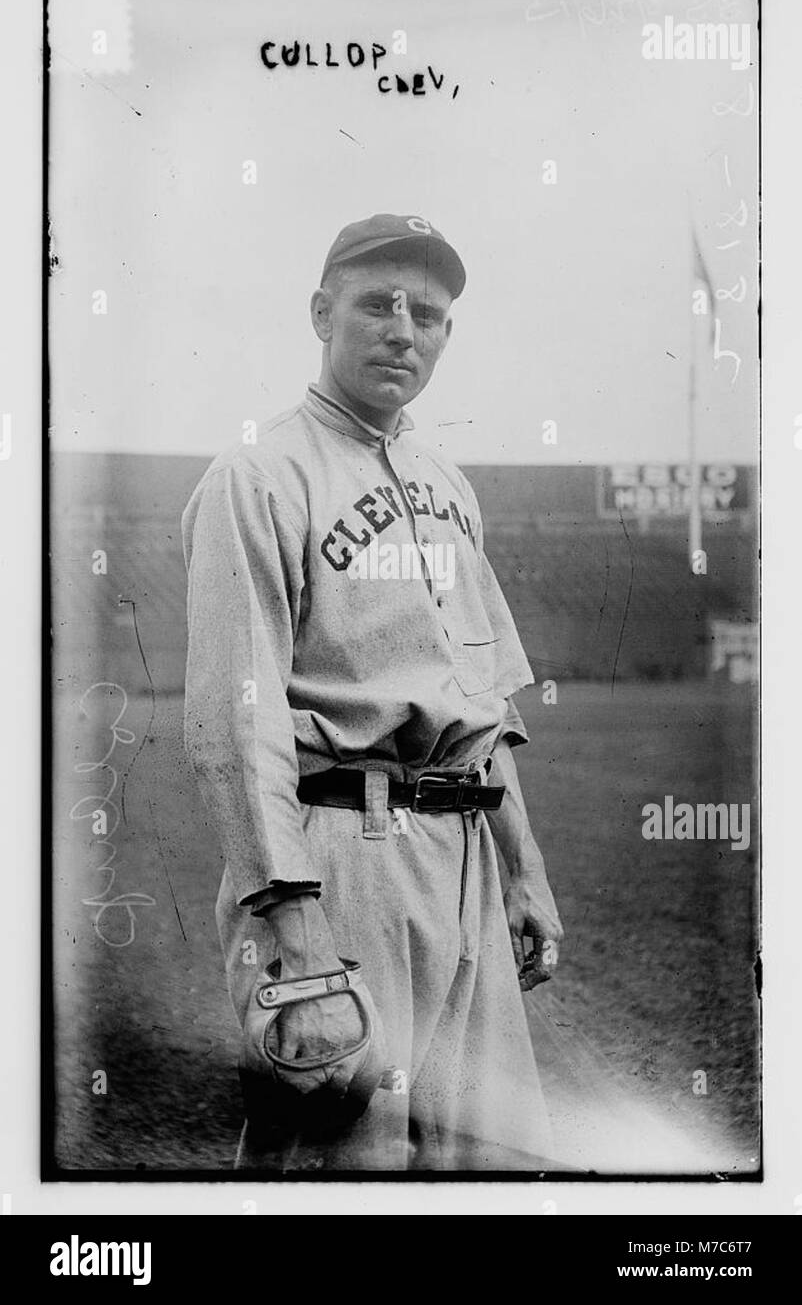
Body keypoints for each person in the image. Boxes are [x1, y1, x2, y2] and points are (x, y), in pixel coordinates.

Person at [181, 213, 564, 1172]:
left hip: (465, 856)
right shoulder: (258, 476)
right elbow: (236, 721)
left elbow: (482, 702)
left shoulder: (448, 483)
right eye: (377, 303)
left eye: (426, 314)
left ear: (445, 336)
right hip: (341, 853)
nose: (403, 328)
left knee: (492, 1161)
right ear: (321, 312)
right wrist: (297, 939)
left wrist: (526, 874)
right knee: (345, 1162)